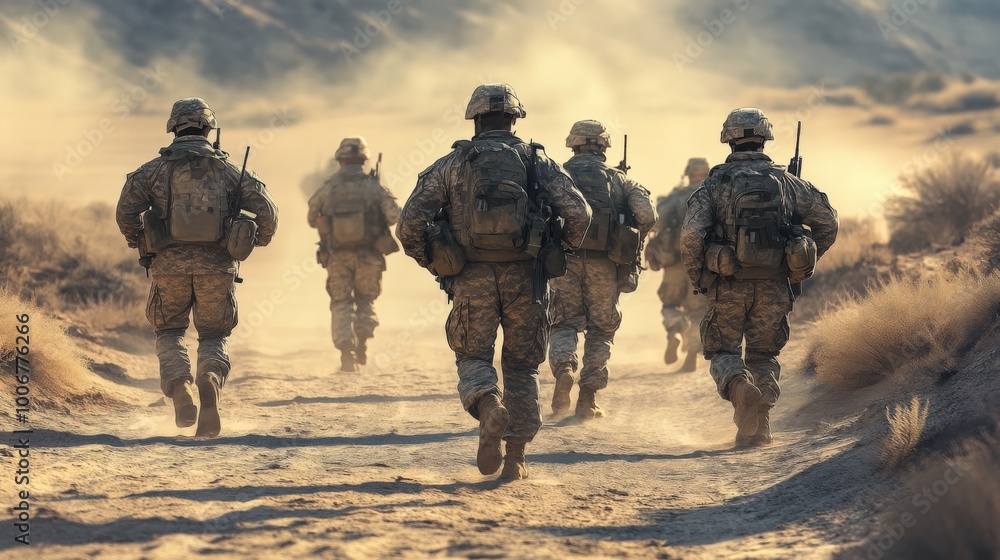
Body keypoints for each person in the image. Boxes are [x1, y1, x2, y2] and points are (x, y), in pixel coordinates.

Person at [396, 83, 591, 479]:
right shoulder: (536, 161)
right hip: (528, 279)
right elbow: (579, 212)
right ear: (515, 119)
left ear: (475, 119)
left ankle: (488, 405)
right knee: (522, 366)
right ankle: (516, 456)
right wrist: (558, 248)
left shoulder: (452, 163)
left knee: (472, 356)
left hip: (470, 278)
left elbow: (409, 225)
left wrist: (436, 263)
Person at [116, 98, 278, 437]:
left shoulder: (153, 170)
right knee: (214, 334)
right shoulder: (230, 170)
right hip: (217, 267)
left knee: (170, 331)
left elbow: (125, 213)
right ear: (208, 129)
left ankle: (180, 388)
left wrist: (142, 244)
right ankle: (210, 381)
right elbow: (267, 213)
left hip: (168, 266)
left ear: (174, 128)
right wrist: (253, 241)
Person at [680, 107, 838, 447]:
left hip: (728, 284)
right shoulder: (787, 182)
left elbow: (691, 236)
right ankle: (759, 428)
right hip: (775, 285)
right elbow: (828, 222)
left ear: (729, 139)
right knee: (764, 356)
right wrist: (800, 266)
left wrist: (701, 277)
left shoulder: (715, 183)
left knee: (723, 351)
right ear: (765, 137)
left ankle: (738, 387)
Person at [547, 120, 656, 419]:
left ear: (573, 143)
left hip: (564, 262)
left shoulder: (557, 174)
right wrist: (631, 238)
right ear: (604, 147)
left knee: (563, 323)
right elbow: (647, 215)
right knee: (601, 329)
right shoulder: (620, 180)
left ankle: (565, 369)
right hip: (605, 266)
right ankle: (587, 399)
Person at [307, 137, 401, 372]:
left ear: (340, 160)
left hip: (337, 256)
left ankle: (346, 352)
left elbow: (311, 218)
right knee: (366, 300)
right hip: (369, 256)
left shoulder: (327, 188)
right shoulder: (375, 187)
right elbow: (395, 216)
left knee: (341, 303)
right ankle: (363, 342)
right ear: (363, 160)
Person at [645, 158, 711, 372]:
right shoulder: (715, 195)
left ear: (688, 173)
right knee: (697, 310)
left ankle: (675, 331)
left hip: (675, 263)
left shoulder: (677, 196)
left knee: (670, 305)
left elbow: (657, 223)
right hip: (703, 264)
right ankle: (691, 356)